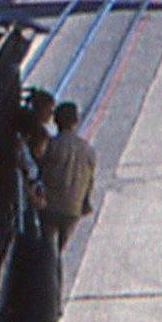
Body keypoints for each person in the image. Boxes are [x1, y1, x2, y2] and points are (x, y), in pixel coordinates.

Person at [40, 99, 98, 259]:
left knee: (47, 245)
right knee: (60, 248)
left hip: (50, 206)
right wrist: (85, 203)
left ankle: (50, 269)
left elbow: (40, 171)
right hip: (73, 209)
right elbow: (89, 182)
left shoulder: (51, 145)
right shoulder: (87, 149)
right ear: (76, 121)